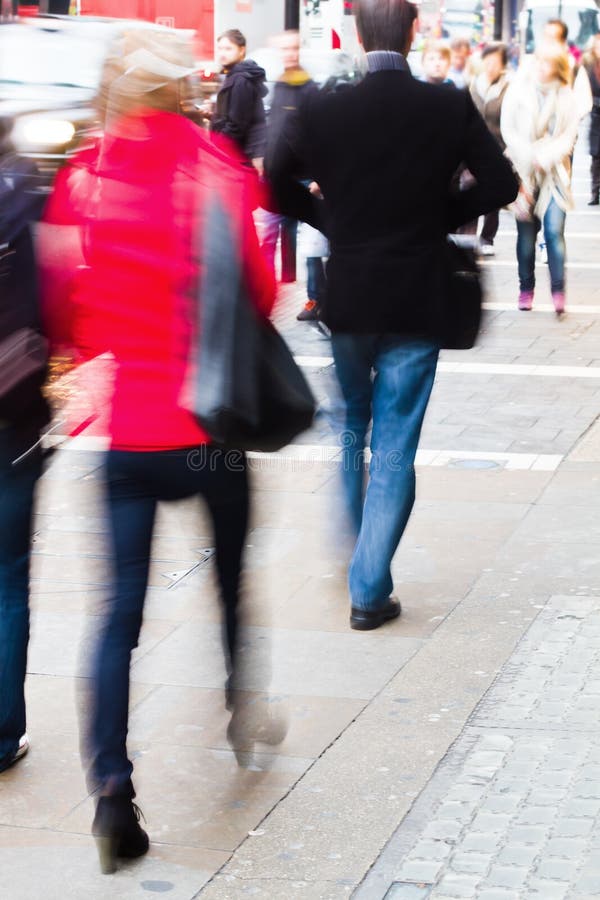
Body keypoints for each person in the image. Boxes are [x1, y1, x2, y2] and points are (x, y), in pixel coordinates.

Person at [40, 30, 276, 873]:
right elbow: (259, 289)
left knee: (115, 619)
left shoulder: (85, 178)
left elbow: (67, 310)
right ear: (182, 93)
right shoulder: (216, 168)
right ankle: (241, 705)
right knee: (231, 579)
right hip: (209, 432)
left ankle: (111, 789)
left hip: (128, 439)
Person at [267, 0, 518, 631]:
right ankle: (369, 584)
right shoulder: (445, 105)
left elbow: (273, 180)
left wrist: (335, 219)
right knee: (396, 440)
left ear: (356, 35)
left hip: (350, 293)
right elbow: (501, 183)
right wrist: (438, 215)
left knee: (352, 428)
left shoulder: (323, 107)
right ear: (412, 34)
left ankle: (358, 553)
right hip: (416, 293)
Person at [0, 125, 49, 774]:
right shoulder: (25, 191)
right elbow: (56, 299)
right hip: (10, 411)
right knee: (8, 577)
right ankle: (2, 732)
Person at [501, 40, 579, 316]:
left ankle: (558, 291)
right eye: (538, 61)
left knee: (555, 232)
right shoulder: (518, 90)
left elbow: (569, 135)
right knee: (525, 236)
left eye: (547, 62)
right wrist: (528, 155)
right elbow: (507, 128)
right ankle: (526, 289)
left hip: (554, 175)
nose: (540, 67)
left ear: (557, 68)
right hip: (524, 173)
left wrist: (545, 157)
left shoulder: (566, 95)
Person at [262, 30, 321, 308]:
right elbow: (274, 128)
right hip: (279, 175)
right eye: (285, 49)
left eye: (294, 48)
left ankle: (314, 298)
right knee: (274, 233)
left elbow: (315, 134)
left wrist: (318, 176)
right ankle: (266, 287)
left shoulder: (308, 88)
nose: (290, 53)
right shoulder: (281, 85)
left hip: (303, 176)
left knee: (312, 243)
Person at [469, 42, 511, 255]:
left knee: (492, 197)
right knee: (470, 189)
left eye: (496, 62)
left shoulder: (508, 88)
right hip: (472, 148)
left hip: (498, 149)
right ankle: (468, 236)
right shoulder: (473, 84)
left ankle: (487, 238)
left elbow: (512, 122)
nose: (491, 66)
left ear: (503, 64)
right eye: (488, 61)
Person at [210, 28, 268, 174]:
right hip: (242, 151)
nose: (222, 53)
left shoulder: (241, 80)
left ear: (242, 51)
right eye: (220, 48)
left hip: (242, 154)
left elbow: (237, 124)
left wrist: (217, 147)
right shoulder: (234, 76)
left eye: (228, 49)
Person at [583, 32, 600, 205]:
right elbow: (584, 92)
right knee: (596, 157)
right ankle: (595, 192)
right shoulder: (588, 67)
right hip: (596, 117)